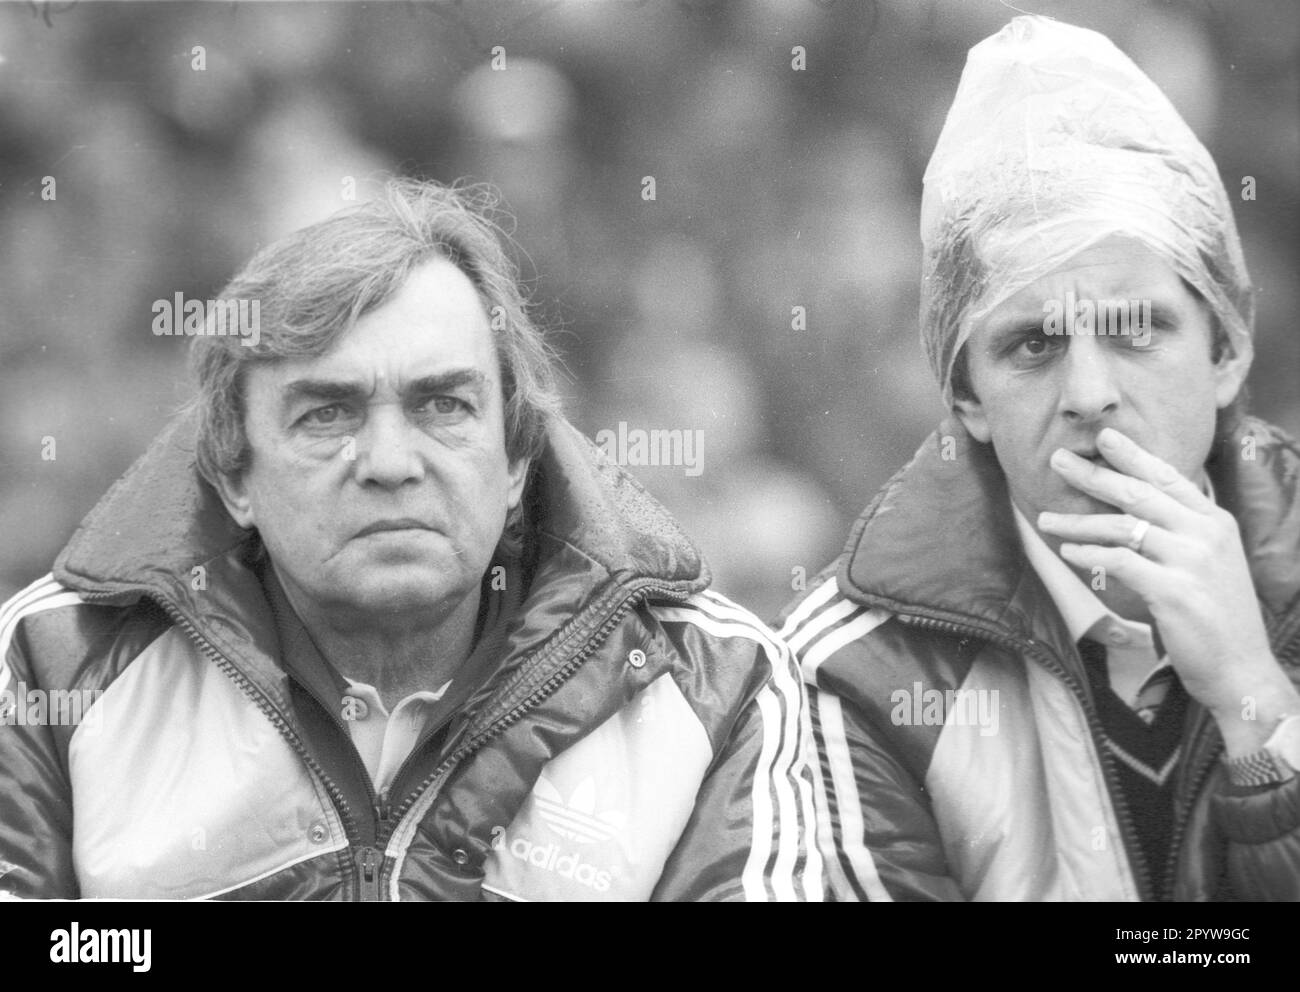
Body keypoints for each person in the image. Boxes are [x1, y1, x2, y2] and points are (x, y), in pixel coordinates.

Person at [0, 178, 821, 901]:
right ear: (233, 475)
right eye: (327, 413)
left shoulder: (715, 686)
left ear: (516, 459)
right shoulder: (51, 664)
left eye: (443, 406)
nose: (389, 463)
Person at [779, 16, 1300, 901]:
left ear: (1227, 352)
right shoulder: (854, 667)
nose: (1089, 392)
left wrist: (1261, 707)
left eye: (1136, 330)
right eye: (1032, 345)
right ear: (967, 396)